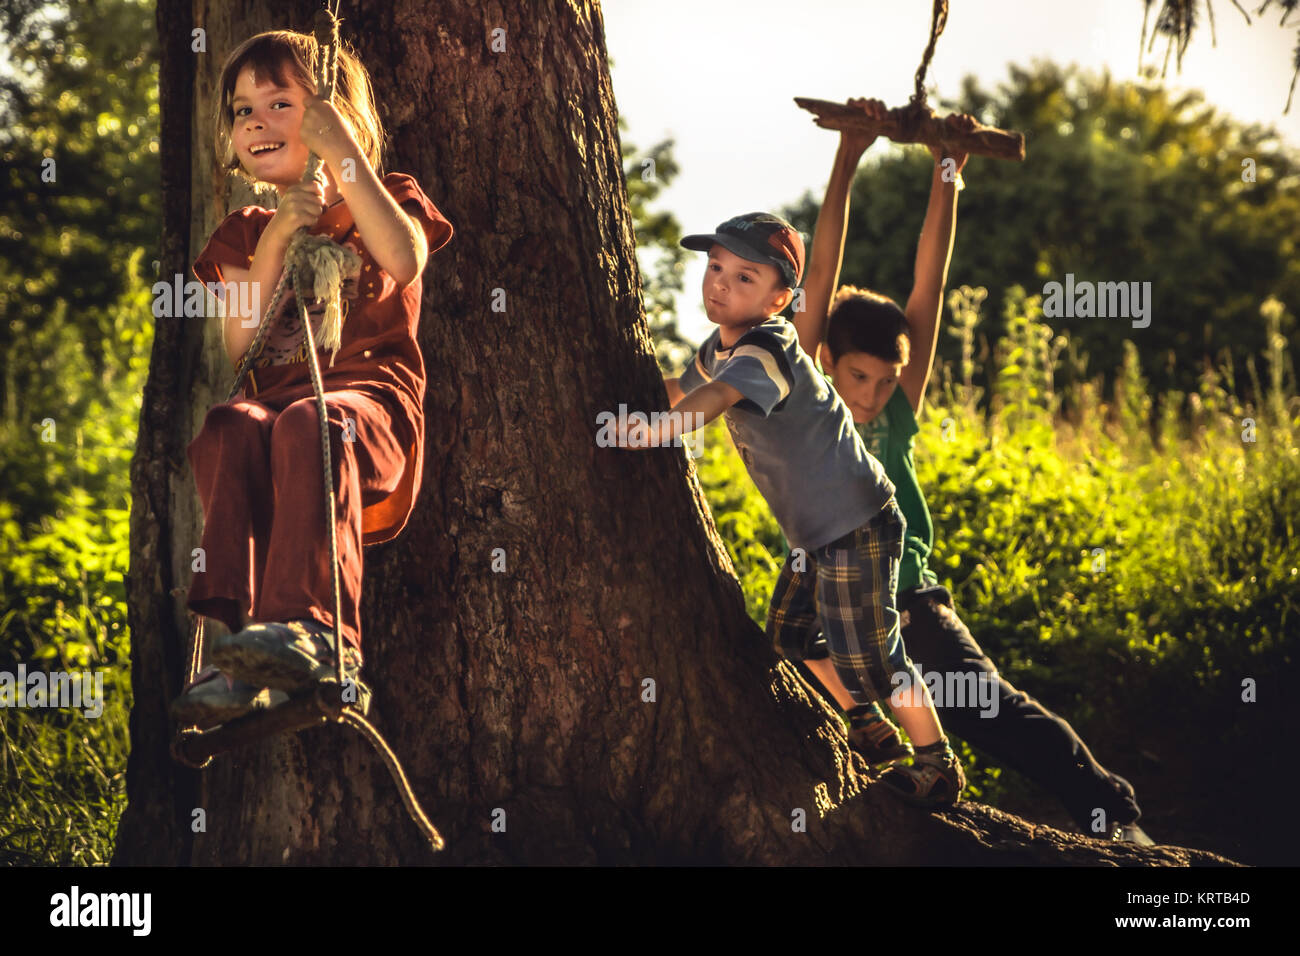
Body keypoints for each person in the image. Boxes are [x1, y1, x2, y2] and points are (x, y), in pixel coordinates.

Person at [780, 98, 1149, 841]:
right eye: (857, 378)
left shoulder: (894, 412)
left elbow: (929, 286)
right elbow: (820, 271)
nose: (870, 396)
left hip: (910, 603)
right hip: (828, 608)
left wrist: (949, 166)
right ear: (827, 364)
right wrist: (849, 152)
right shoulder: (812, 397)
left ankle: (1115, 814)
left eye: (886, 382)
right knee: (791, 676)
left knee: (994, 713)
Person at [615, 210, 965, 806]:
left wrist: (652, 430)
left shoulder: (769, 349)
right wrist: (626, 395)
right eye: (716, 266)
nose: (720, 283)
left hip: (855, 522)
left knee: (873, 656)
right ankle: (870, 727)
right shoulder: (723, 345)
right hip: (816, 532)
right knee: (794, 637)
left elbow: (714, 399)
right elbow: (683, 383)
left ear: (780, 299)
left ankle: (937, 764)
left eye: (744, 277)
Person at [170, 29, 453, 729]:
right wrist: (273, 242)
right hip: (274, 422)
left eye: (278, 102)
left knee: (307, 423)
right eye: (242, 111)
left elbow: (404, 258)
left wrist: (343, 157)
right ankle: (236, 650)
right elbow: (241, 346)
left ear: (332, 115)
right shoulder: (241, 233)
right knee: (230, 423)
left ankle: (320, 634)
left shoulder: (382, 197)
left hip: (365, 411)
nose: (257, 122)